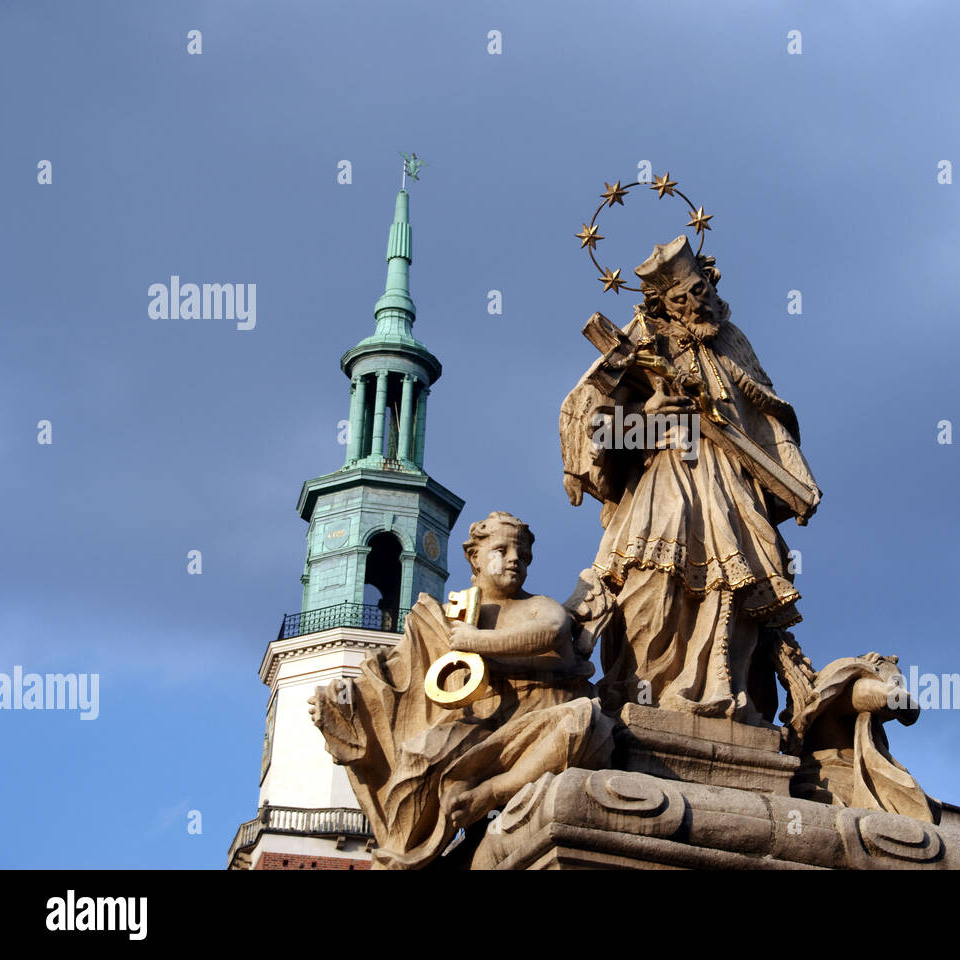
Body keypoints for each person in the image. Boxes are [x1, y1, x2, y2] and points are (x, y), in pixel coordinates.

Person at [560, 236, 821, 725]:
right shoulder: (638, 336)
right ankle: (637, 692)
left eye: (699, 289)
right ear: (662, 302)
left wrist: (793, 478)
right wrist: (650, 413)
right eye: (680, 298)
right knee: (653, 579)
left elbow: (765, 414)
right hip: (666, 472)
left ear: (710, 281)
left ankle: (720, 690)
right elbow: (593, 420)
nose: (695, 303)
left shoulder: (731, 339)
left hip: (731, 476)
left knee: (739, 581)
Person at [309, 511, 614, 868]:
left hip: (535, 720)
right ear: (474, 557)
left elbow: (553, 631)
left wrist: (480, 641)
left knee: (582, 722)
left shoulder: (536, 606)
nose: (514, 559)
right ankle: (402, 853)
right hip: (474, 724)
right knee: (421, 756)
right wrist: (343, 702)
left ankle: (490, 793)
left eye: (523, 555)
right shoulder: (446, 617)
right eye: (501, 550)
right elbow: (394, 678)